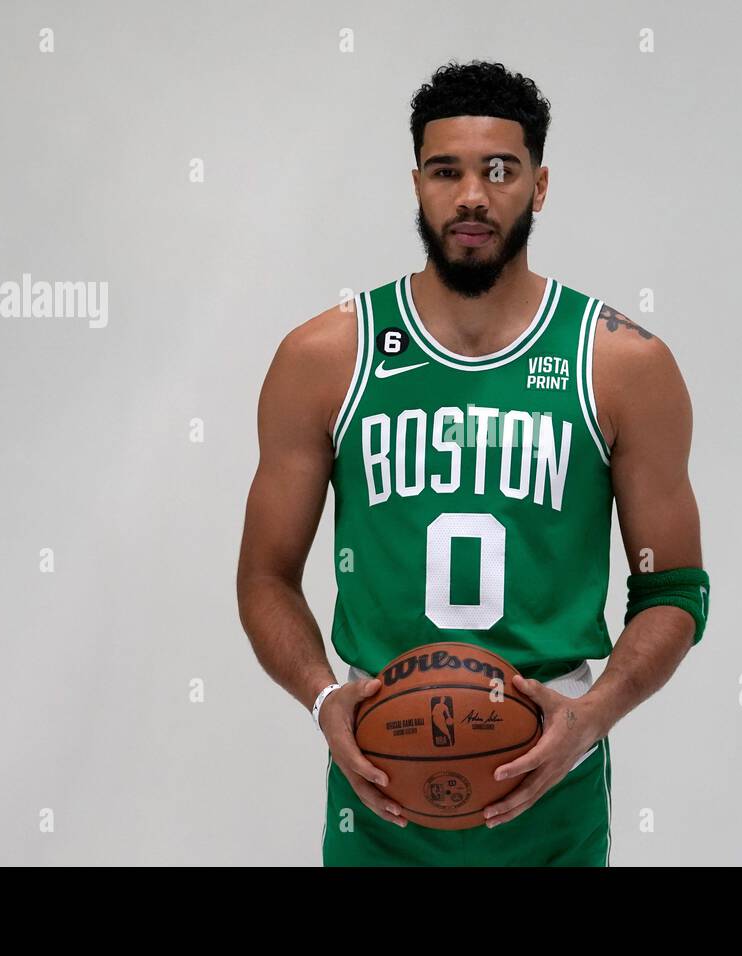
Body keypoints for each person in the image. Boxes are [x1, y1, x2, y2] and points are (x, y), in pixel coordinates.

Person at [236, 60, 708, 866]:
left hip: (555, 788)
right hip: (379, 790)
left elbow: (675, 589)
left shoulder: (622, 364)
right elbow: (265, 577)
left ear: (541, 183)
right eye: (446, 170)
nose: (472, 197)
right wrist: (323, 698)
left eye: (500, 170)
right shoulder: (327, 357)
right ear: (415, 181)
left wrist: (591, 716)